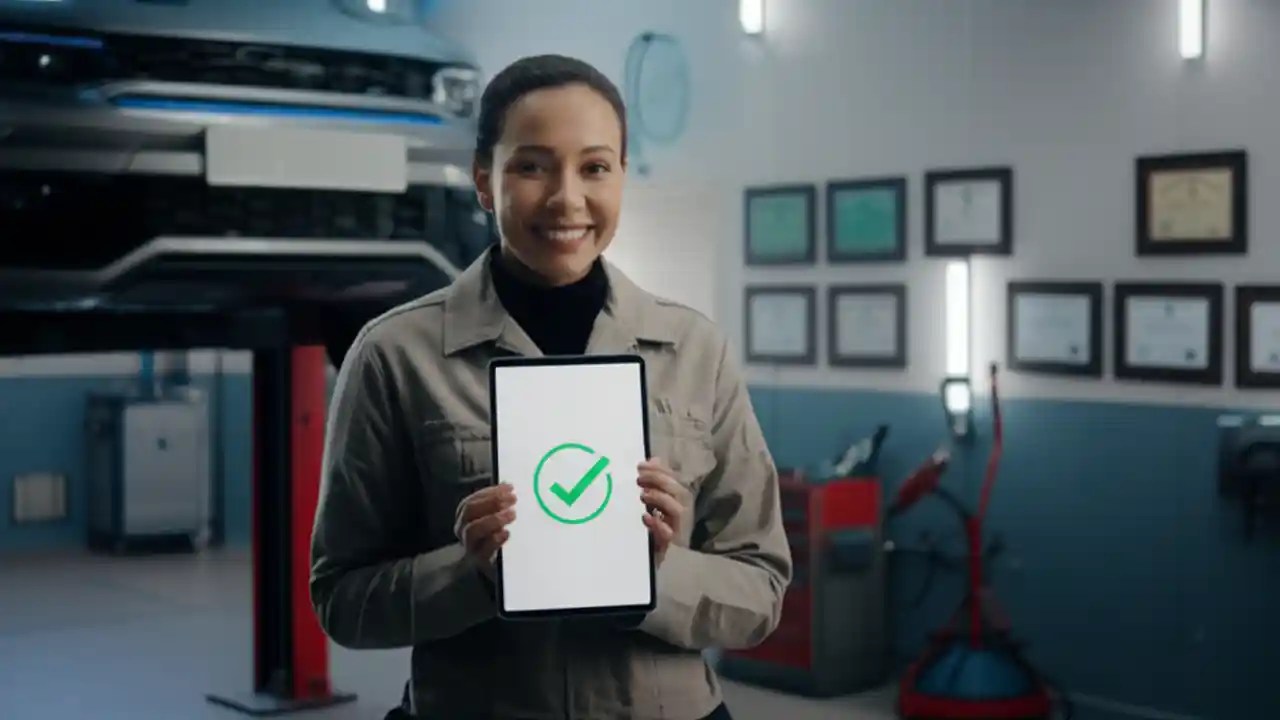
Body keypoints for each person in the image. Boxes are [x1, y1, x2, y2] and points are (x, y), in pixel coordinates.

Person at [310, 53, 792, 720]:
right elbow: (342, 599)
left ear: (622, 176)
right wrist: (470, 574)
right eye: (532, 166)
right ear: (484, 180)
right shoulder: (396, 355)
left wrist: (658, 573)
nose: (567, 198)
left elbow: (761, 591)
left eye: (595, 167)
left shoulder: (695, 351)